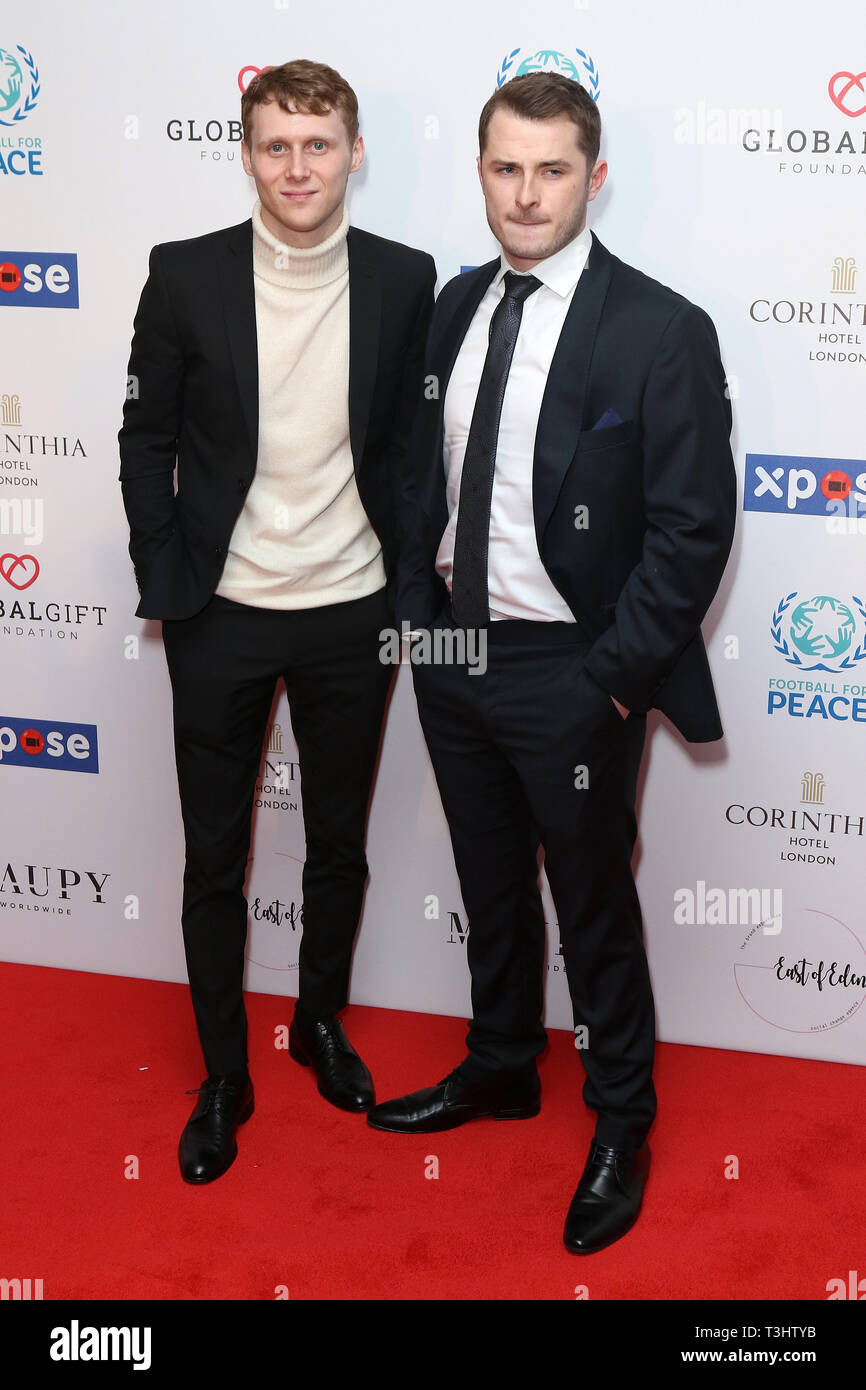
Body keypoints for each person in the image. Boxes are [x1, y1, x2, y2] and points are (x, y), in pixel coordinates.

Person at [367, 71, 737, 1254]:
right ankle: (501, 1064)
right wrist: (418, 621)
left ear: (594, 176)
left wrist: (612, 679)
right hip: (455, 645)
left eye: (551, 169)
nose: (525, 194)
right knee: (487, 882)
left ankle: (621, 1117)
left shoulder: (659, 328)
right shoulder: (452, 304)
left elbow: (691, 529)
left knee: (589, 905)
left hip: (575, 666)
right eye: (504, 167)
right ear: (478, 171)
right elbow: (418, 472)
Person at [118, 59, 436, 1184]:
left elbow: (406, 449)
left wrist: (409, 588)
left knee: (337, 844)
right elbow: (144, 438)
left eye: (317, 143)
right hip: (223, 613)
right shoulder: (186, 275)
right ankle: (222, 1075)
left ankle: (315, 1023)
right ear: (246, 153)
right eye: (274, 144)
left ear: (353, 152)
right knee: (216, 857)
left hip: (351, 610)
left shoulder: (406, 279)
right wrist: (168, 580)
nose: (296, 166)